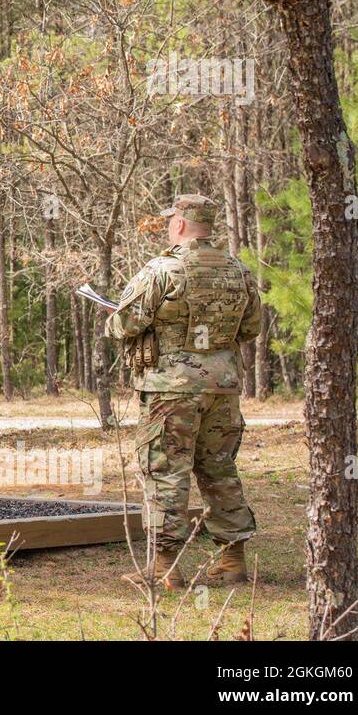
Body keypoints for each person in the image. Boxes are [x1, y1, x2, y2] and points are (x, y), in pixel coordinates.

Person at [106, 193, 262, 588]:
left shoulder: (162, 270)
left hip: (170, 390)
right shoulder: (239, 271)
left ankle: (165, 568)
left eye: (170, 220)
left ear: (178, 224)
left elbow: (123, 325)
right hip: (222, 389)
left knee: (165, 471)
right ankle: (232, 562)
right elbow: (251, 328)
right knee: (219, 469)